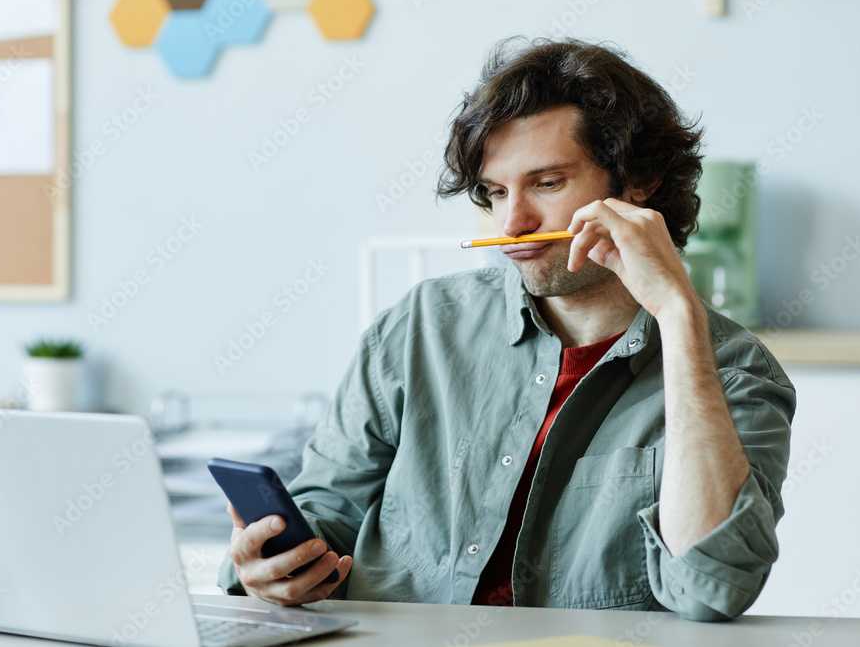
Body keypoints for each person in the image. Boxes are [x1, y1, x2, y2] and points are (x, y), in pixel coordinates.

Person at [218, 37, 795, 622]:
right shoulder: (421, 325)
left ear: (639, 180)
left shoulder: (735, 369)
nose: (512, 223)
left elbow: (711, 588)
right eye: (496, 192)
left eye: (547, 183)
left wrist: (678, 314)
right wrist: (271, 563)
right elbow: (328, 510)